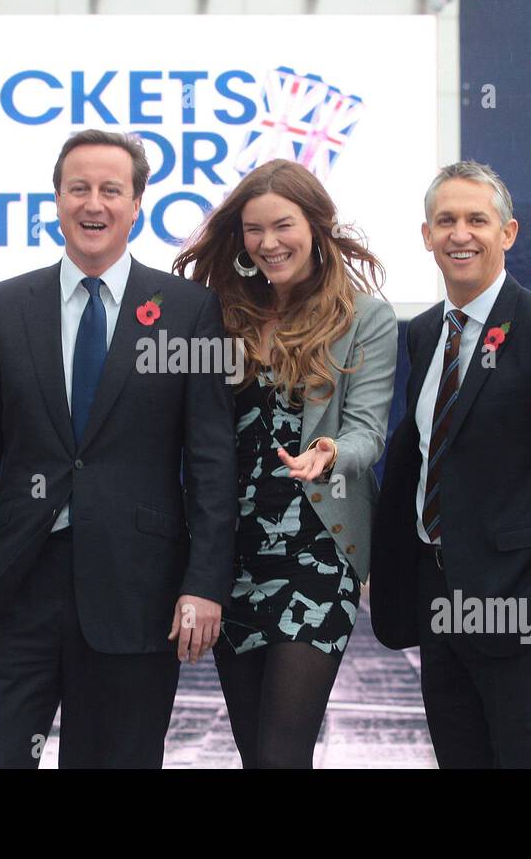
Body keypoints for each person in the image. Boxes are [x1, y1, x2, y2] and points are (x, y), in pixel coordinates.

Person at [0, 129, 236, 769]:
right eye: (79, 188)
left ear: (137, 205)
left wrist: (204, 583)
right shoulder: (3, 306)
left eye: (111, 189)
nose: (93, 204)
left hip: (137, 591)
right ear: (56, 199)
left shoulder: (189, 311)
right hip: (15, 590)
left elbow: (212, 462)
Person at [370, 160, 531, 768]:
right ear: (426, 235)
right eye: (446, 220)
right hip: (440, 605)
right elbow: (431, 457)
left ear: (507, 232)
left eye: (477, 220)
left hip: (520, 610)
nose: (461, 233)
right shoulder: (428, 333)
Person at [172, 159, 397, 768]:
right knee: (255, 751)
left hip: (318, 554)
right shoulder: (215, 317)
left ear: (317, 227)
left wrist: (329, 456)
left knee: (282, 753)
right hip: (228, 550)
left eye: (283, 225)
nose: (268, 243)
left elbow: (367, 431)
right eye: (253, 229)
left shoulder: (365, 319)